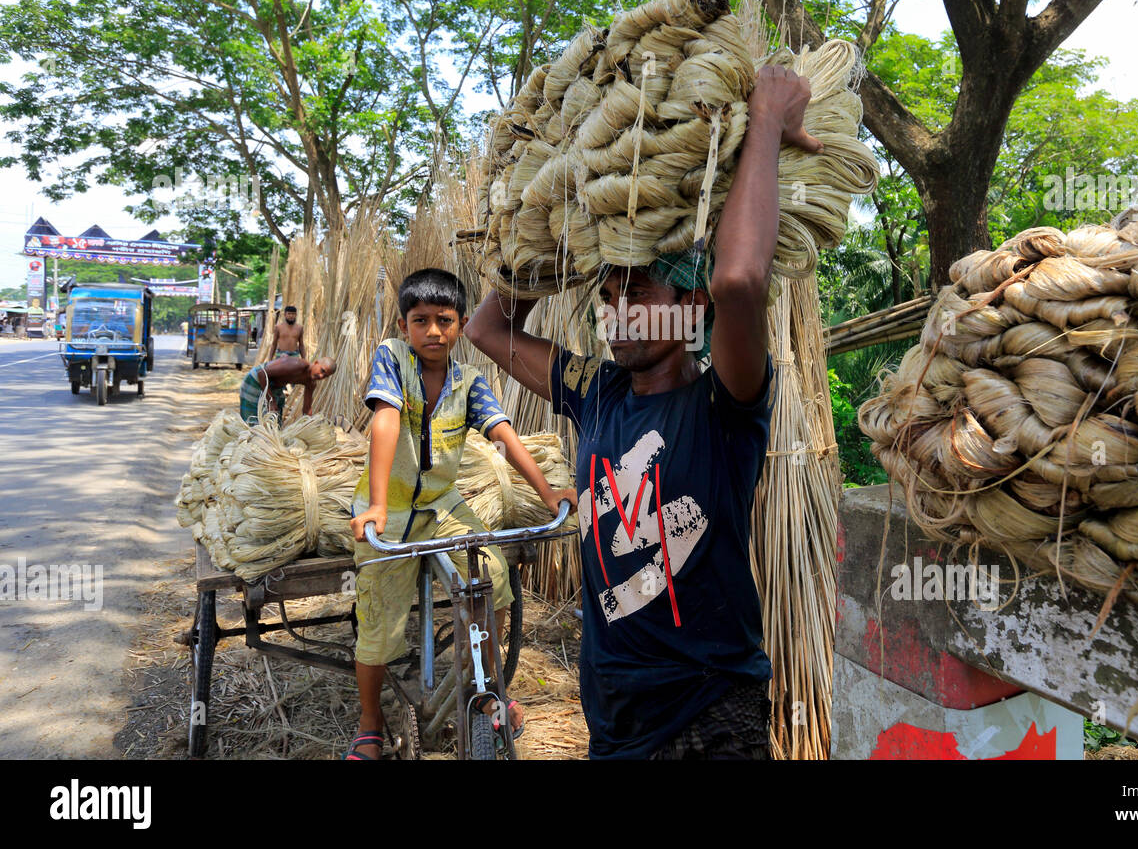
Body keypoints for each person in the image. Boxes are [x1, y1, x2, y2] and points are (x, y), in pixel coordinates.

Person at [465, 65, 824, 759]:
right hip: (612, 708)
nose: (618, 310)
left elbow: (740, 280)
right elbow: (488, 331)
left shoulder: (725, 404)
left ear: (692, 307)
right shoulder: (595, 390)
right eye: (608, 292)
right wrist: (544, 226)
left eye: (640, 290)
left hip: (709, 712)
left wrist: (770, 123)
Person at [343, 267, 578, 761]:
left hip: (444, 505)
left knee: (491, 577)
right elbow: (384, 422)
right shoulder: (392, 359)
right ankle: (368, 725)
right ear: (405, 325)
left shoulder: (467, 379)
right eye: (421, 320)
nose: (433, 331)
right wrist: (380, 504)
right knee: (379, 621)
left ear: (461, 323)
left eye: (444, 321)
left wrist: (548, 490)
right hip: (391, 510)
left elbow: (504, 434)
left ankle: (493, 690)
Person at [238, 354, 336, 424]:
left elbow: (307, 408)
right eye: (322, 370)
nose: (321, 376)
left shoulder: (311, 383)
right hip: (256, 381)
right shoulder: (298, 365)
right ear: (316, 363)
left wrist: (309, 424)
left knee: (274, 423)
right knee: (252, 421)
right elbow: (261, 373)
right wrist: (271, 402)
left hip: (273, 387)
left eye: (325, 376)